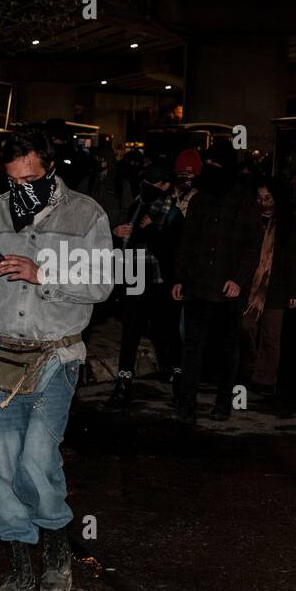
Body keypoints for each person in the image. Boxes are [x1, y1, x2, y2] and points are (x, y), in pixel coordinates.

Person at [0, 128, 112, 591]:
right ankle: (19, 568)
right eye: (12, 181)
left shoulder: (86, 214)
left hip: (56, 355)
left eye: (30, 178)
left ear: (50, 169)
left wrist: (41, 274)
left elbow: (102, 284)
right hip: (1, 354)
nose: (20, 190)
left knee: (34, 460)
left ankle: (57, 553)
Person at [171, 140, 262, 423]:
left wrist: (238, 280)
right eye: (207, 166)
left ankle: (224, 402)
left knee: (226, 350)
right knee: (192, 347)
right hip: (198, 286)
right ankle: (187, 403)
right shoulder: (200, 200)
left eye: (216, 166)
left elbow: (252, 247)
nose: (211, 171)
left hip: (227, 291)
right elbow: (186, 243)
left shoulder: (244, 203)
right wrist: (179, 279)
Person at [106, 161, 185, 410]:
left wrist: (152, 232)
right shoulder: (137, 204)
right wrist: (116, 232)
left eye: (154, 183)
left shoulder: (174, 213)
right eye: (146, 182)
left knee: (168, 334)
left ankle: (180, 385)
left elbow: (173, 250)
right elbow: (128, 239)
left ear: (166, 185)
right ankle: (123, 385)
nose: (148, 187)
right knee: (130, 332)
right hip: (135, 275)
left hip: (161, 281)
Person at [240, 180, 296, 396]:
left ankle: (265, 378)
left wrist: (294, 291)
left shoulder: (287, 223)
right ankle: (252, 367)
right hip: (251, 286)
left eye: (268, 198)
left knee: (271, 335)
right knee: (245, 326)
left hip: (277, 287)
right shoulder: (249, 220)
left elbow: (294, 258)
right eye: (259, 198)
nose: (264, 203)